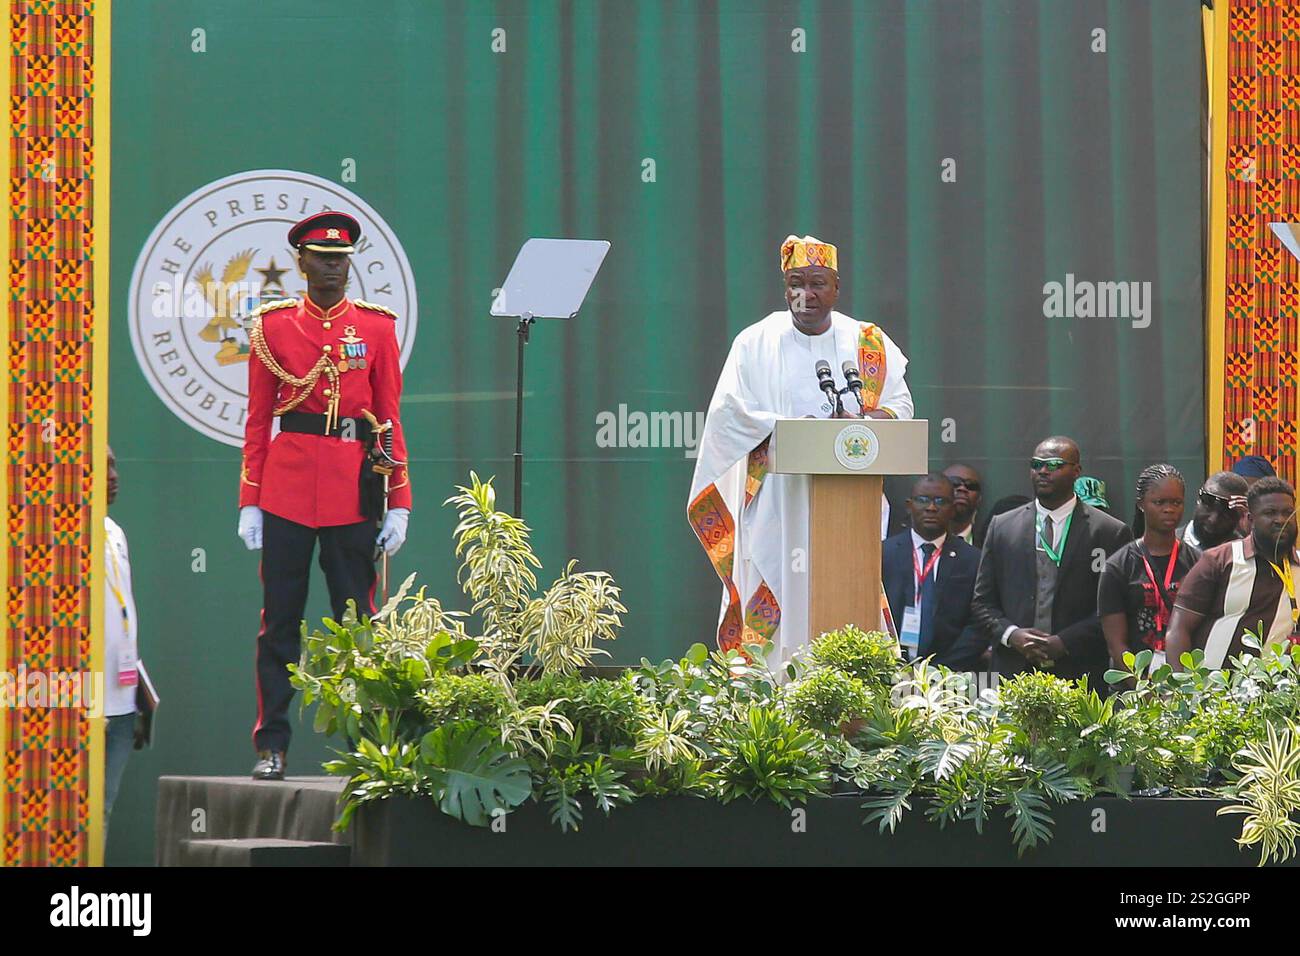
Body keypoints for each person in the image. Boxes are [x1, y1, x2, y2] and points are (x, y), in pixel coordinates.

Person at [238, 211, 412, 781]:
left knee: (358, 623)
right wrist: (250, 499)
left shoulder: (377, 329)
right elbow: (258, 420)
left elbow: (390, 417)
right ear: (302, 262)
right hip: (287, 491)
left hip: (353, 488)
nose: (334, 268)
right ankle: (273, 746)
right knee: (280, 623)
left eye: (341, 259)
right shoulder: (273, 327)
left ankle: (367, 747)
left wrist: (401, 499)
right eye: (323, 258)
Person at [689, 235, 913, 663]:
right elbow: (728, 416)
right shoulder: (754, 341)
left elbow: (899, 406)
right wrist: (790, 430)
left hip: (849, 502)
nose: (804, 295)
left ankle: (853, 691)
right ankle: (771, 693)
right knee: (779, 588)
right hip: (778, 499)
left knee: (847, 586)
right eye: (795, 283)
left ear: (837, 287)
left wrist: (866, 424)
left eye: (816, 283)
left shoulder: (867, 341)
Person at [971, 436, 1133, 687]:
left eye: (1054, 465)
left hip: (1080, 673)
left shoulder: (1110, 532)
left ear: (1077, 471)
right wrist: (1012, 635)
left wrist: (1066, 642)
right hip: (1012, 673)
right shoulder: (1002, 526)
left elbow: (1114, 610)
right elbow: (982, 603)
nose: (1043, 471)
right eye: (1036, 465)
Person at [1167, 476, 1300, 670]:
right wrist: (1180, 691)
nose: (1280, 520)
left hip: (1273, 695)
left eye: (1287, 513)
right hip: (1214, 692)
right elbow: (1179, 629)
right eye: (1270, 513)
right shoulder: (1219, 561)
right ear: (1250, 519)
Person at [1098, 465, 1202, 670]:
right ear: (1141, 505)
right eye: (1159, 502)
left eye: (1176, 502)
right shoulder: (1118, 566)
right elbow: (1116, 645)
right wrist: (1142, 690)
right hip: (1132, 687)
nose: (1169, 509)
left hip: (1185, 684)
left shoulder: (1197, 563)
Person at [881, 474, 986, 669]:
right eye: (922, 500)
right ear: (909, 505)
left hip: (952, 674)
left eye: (940, 501)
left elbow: (979, 623)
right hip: (890, 670)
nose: (931, 508)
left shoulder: (972, 559)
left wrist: (941, 669)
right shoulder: (883, 554)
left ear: (953, 508)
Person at [103, 445, 141, 842]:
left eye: (115, 465)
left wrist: (139, 695)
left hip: (122, 705)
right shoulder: (55, 539)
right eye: (102, 466)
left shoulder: (115, 533)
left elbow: (122, 618)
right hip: (78, 702)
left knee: (103, 808)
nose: (114, 475)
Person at [1179, 470, 1248, 549]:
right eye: (1209, 505)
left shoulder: (1243, 550)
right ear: (1199, 499)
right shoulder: (1168, 544)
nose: (1213, 520)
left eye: (1225, 514)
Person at [943, 463, 983, 546]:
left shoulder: (990, 544)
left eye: (971, 485)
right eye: (954, 483)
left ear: (979, 498)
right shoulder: (919, 541)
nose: (962, 489)